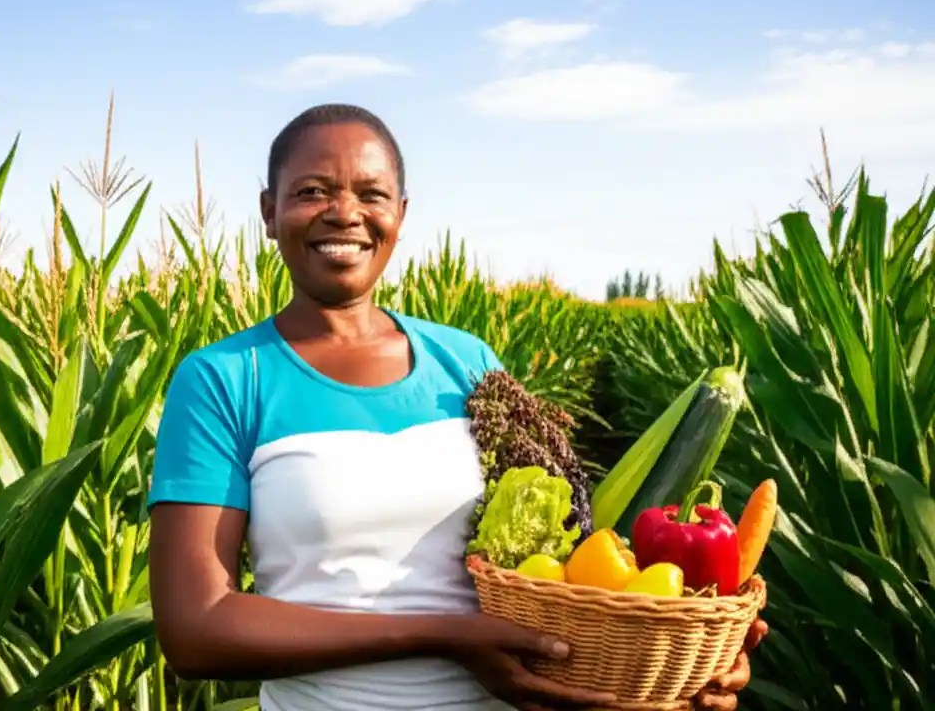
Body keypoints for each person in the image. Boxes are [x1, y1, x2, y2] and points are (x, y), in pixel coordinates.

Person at [147, 102, 763, 711]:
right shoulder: (225, 379)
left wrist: (680, 647)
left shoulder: (466, 363)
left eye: (372, 193)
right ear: (269, 211)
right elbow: (197, 630)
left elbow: (556, 561)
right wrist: (444, 636)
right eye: (312, 190)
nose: (344, 213)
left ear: (401, 213)